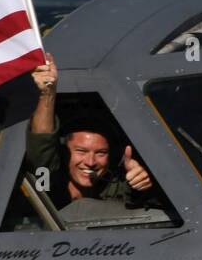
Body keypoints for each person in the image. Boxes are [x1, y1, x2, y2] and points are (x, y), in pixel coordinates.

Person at [26, 53, 154, 210]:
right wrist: (47, 93)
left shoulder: (115, 189)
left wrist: (142, 185)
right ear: (65, 153)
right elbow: (42, 151)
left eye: (101, 153)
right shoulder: (45, 186)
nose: (91, 162)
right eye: (81, 151)